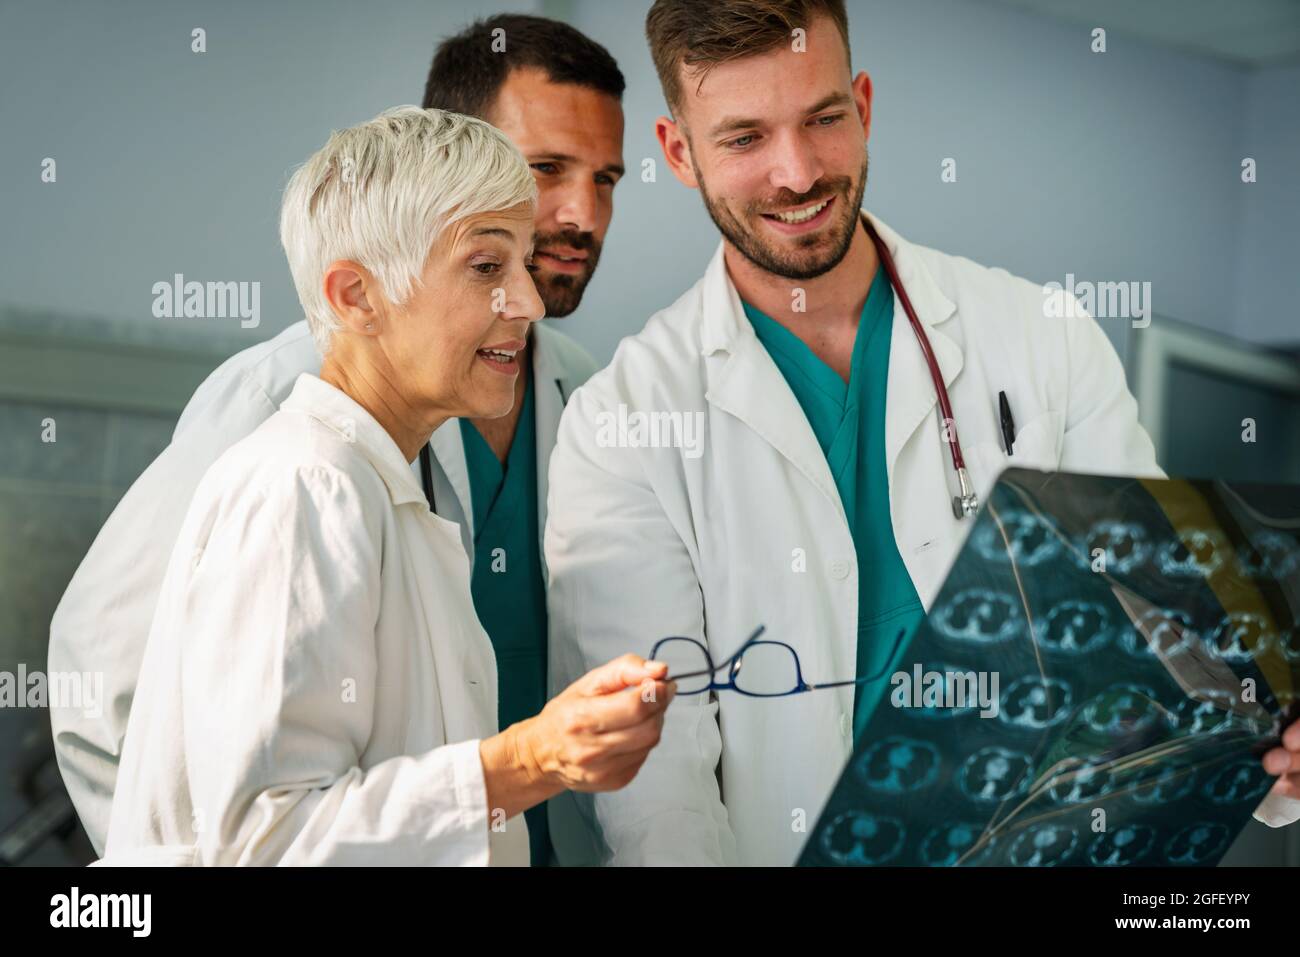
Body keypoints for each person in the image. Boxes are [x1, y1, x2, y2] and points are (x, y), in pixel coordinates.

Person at [544, 0, 1300, 865]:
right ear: (680, 153)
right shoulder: (621, 423)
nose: (798, 173)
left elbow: (1165, 635)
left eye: (823, 119)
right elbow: (657, 779)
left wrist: (1268, 752)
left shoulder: (1043, 338)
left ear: (863, 105)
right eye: (745, 138)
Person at [49, 15, 626, 866]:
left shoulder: (562, 395)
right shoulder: (296, 467)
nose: (576, 215)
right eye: (547, 170)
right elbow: (253, 821)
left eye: (606, 178)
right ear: (355, 296)